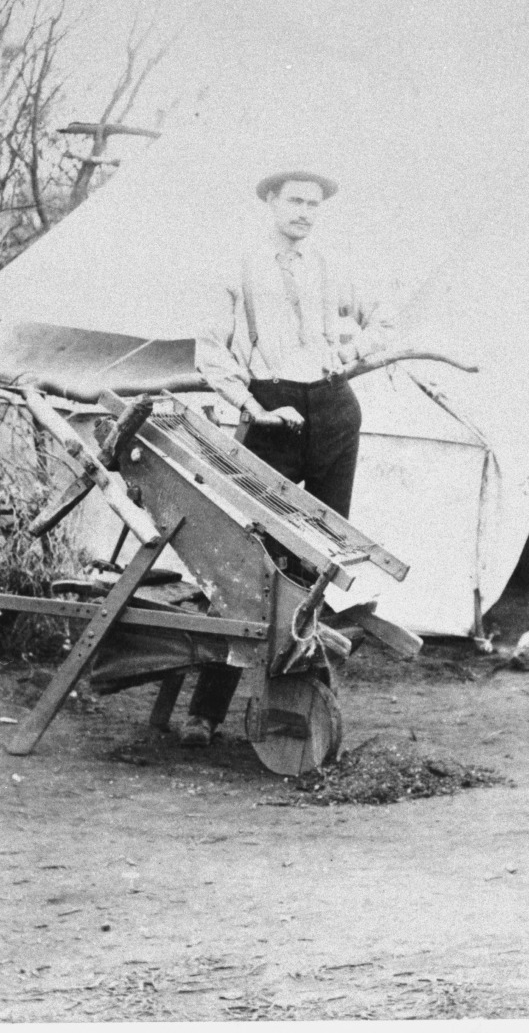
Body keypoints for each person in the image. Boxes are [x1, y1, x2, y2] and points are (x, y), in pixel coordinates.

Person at [180, 169, 393, 746]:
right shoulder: (239, 268)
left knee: (319, 557)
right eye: (295, 200)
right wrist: (253, 406)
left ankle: (298, 709)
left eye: (314, 204)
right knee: (247, 556)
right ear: (271, 202)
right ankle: (206, 712)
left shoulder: (331, 267)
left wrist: (345, 357)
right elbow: (209, 350)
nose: (304, 211)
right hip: (271, 411)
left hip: (331, 412)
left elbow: (384, 317)